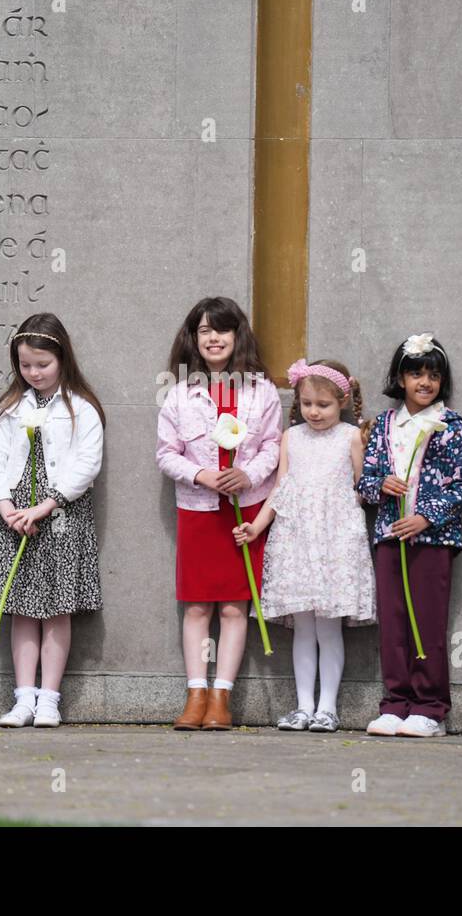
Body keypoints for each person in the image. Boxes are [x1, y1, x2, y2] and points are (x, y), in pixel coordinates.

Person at [156, 296, 281, 730]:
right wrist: (200, 474)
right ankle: (195, 694)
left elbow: (272, 447)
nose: (213, 338)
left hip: (244, 512)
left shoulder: (261, 391)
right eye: (204, 330)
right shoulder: (179, 394)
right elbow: (166, 455)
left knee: (233, 608)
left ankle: (221, 698)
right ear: (193, 338)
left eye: (221, 330)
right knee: (196, 608)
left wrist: (248, 475)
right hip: (198, 510)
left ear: (237, 335)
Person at [233, 360, 376, 733]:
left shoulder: (350, 437)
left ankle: (327, 707)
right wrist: (256, 526)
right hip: (296, 540)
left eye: (323, 405)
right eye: (307, 403)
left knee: (329, 629)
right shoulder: (290, 438)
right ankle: (303, 706)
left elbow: (363, 489)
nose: (314, 411)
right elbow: (281, 489)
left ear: (342, 401)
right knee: (303, 630)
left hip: (334, 541)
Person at [0, 314, 105, 729]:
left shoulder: (81, 409)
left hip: (59, 515)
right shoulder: (11, 408)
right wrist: (5, 507)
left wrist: (47, 504)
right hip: (16, 516)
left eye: (42, 364)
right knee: (21, 608)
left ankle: (49, 697)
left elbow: (87, 464)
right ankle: (23, 697)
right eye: (25, 365)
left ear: (62, 359)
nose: (33, 373)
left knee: (56, 609)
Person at [357, 333, 462, 738]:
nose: (425, 382)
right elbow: (365, 481)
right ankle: (394, 703)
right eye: (416, 374)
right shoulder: (385, 425)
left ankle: (430, 708)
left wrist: (426, 517)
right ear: (400, 378)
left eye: (433, 375)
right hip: (389, 539)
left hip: (433, 541)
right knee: (392, 624)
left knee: (426, 622)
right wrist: (380, 484)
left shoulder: (452, 425)